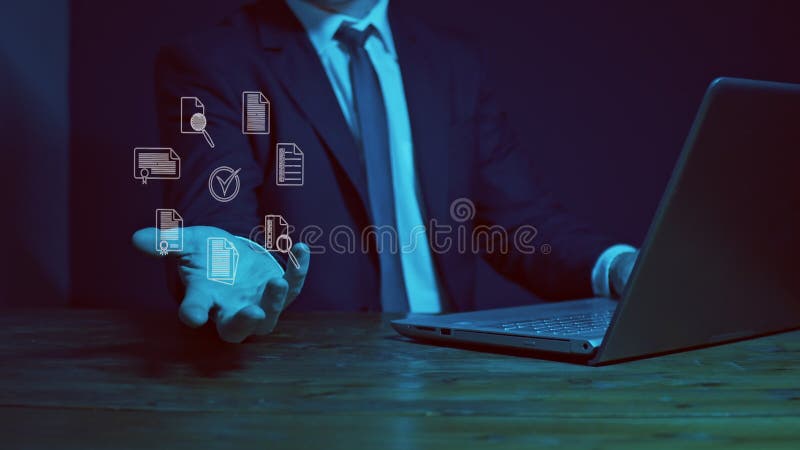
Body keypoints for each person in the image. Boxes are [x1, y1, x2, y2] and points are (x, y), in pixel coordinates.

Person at [132, 0, 638, 343]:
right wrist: (229, 263)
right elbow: (214, 217)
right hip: (305, 377)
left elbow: (520, 220)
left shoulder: (453, 62)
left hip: (456, 366)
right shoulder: (210, 62)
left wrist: (620, 266)